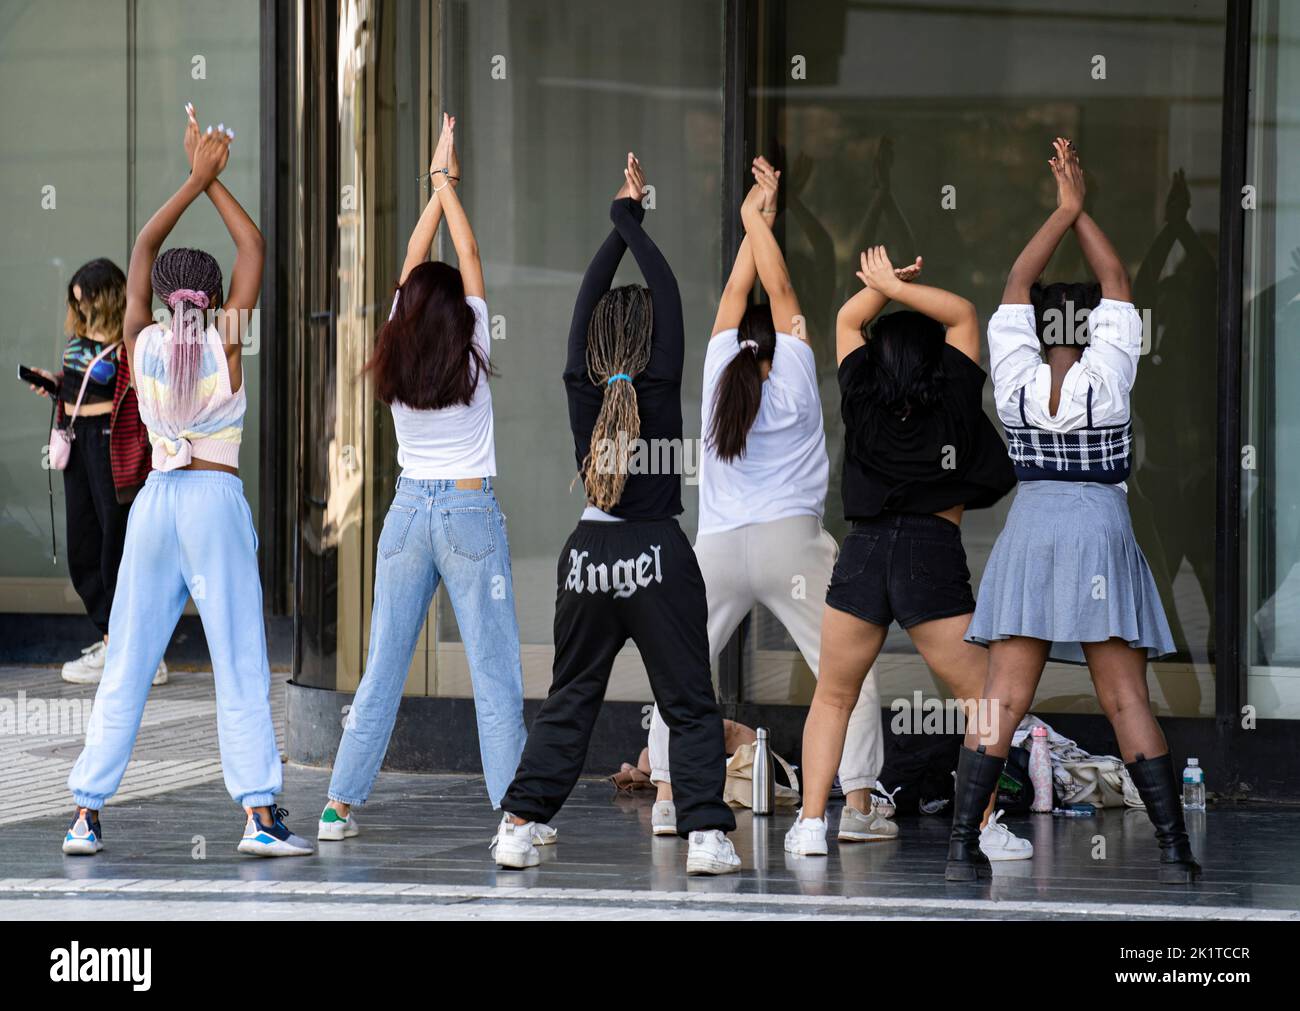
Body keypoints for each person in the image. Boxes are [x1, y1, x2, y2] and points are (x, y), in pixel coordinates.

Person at [63, 105, 310, 857]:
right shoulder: (228, 342)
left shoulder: (138, 342)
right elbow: (254, 245)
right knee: (238, 655)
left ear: (160, 298)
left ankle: (84, 813)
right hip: (211, 499)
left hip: (156, 508)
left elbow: (142, 245)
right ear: (213, 299)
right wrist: (217, 184)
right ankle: (259, 816)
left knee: (130, 656)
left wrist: (191, 176)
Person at [950, 138, 1198, 884]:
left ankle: (965, 838)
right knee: (1125, 695)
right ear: (1091, 326)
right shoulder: (1111, 380)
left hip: (1034, 529)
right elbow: (1117, 277)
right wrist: (1081, 209)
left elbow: (1015, 282)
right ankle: (1174, 846)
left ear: (1034, 328)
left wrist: (1058, 214)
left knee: (1001, 696)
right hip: (1098, 529)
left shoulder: (1016, 379)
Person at [492, 154, 740, 875]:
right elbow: (663, 288)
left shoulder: (584, 389)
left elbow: (586, 306)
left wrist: (618, 218)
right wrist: (633, 219)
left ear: (597, 345)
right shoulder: (660, 382)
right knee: (690, 702)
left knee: (570, 697)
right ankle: (704, 838)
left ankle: (517, 824)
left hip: (587, 556)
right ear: (654, 338)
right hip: (658, 554)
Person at [644, 157, 893, 846]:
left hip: (719, 547)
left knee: (681, 672)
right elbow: (781, 285)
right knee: (847, 670)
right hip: (792, 544)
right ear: (781, 342)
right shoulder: (796, 373)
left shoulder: (717, 374)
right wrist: (763, 218)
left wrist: (753, 218)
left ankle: (668, 797)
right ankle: (861, 807)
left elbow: (744, 286)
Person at [317, 114, 529, 843]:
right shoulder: (470, 341)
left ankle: (338, 805)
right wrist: (449, 185)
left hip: (407, 515)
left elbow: (419, 258)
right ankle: (514, 817)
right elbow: (463, 251)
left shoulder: (394, 354)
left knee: (381, 668)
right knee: (495, 671)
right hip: (468, 513)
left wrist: (433, 189)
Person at [787, 243, 1021, 861]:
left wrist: (883, 286)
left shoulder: (861, 391)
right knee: (986, 700)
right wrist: (901, 285)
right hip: (929, 551)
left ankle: (812, 824)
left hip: (863, 550)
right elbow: (964, 314)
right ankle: (984, 829)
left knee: (832, 696)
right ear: (935, 357)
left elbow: (845, 321)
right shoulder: (954, 396)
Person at [25, 260, 162, 686]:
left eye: (84, 296)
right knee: (83, 546)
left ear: (105, 296)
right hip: (78, 439)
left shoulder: (130, 341)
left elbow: (139, 393)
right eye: (75, 299)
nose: (78, 304)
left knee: (115, 547)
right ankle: (112, 639)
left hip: (110, 441)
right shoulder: (78, 338)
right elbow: (77, 381)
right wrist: (54, 381)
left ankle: (142, 653)